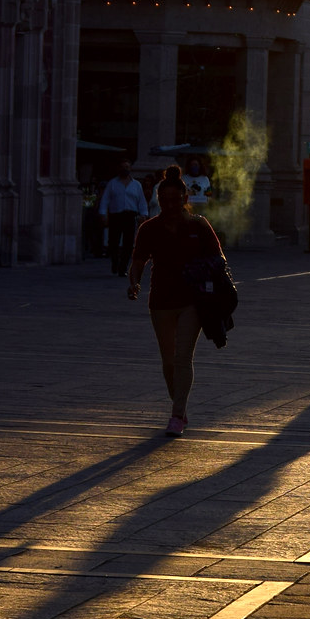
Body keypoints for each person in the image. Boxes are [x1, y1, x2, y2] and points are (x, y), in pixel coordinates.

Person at [127, 167, 223, 437]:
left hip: (192, 300)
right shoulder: (150, 228)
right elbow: (137, 261)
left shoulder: (199, 226)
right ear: (159, 198)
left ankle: (177, 413)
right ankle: (179, 402)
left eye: (175, 199)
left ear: (184, 198)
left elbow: (219, 260)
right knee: (168, 361)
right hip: (160, 300)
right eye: (165, 199)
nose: (170, 204)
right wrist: (133, 282)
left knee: (183, 357)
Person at [98, 159, 149, 276]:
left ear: (130, 169)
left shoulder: (136, 185)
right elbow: (105, 200)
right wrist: (103, 214)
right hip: (116, 215)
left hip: (130, 215)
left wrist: (144, 214)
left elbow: (141, 201)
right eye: (123, 167)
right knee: (113, 241)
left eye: (127, 166)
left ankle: (123, 267)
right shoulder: (112, 183)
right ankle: (115, 261)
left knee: (128, 242)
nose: (125, 169)